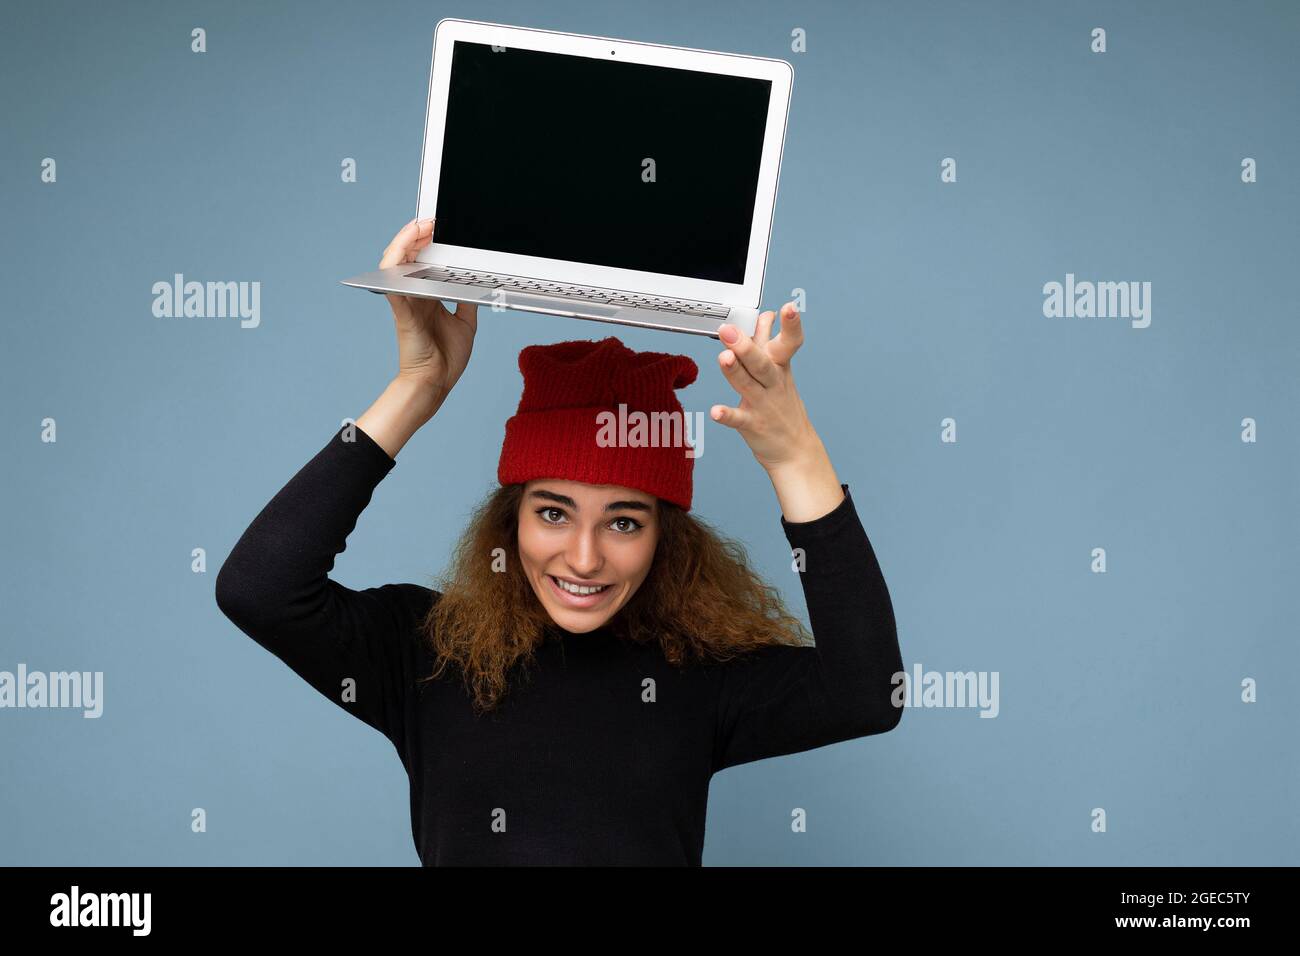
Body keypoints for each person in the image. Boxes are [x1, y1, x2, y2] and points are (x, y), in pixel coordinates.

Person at [215, 218, 904, 866]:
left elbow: (870, 694)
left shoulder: (700, 680)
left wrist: (796, 458)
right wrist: (417, 387)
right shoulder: (426, 653)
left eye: (624, 522)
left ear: (668, 539)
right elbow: (259, 589)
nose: (582, 558)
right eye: (553, 514)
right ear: (509, 521)